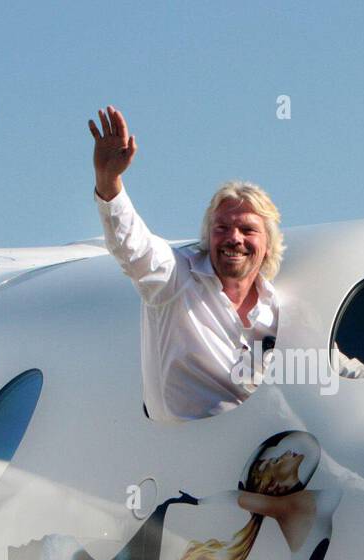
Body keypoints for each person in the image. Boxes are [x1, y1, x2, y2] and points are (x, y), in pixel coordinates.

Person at [88, 105, 284, 422]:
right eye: (222, 229)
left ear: (268, 243)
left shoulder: (278, 309)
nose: (235, 238)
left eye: (248, 230)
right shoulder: (176, 279)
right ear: (208, 235)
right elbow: (132, 246)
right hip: (181, 460)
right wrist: (109, 181)